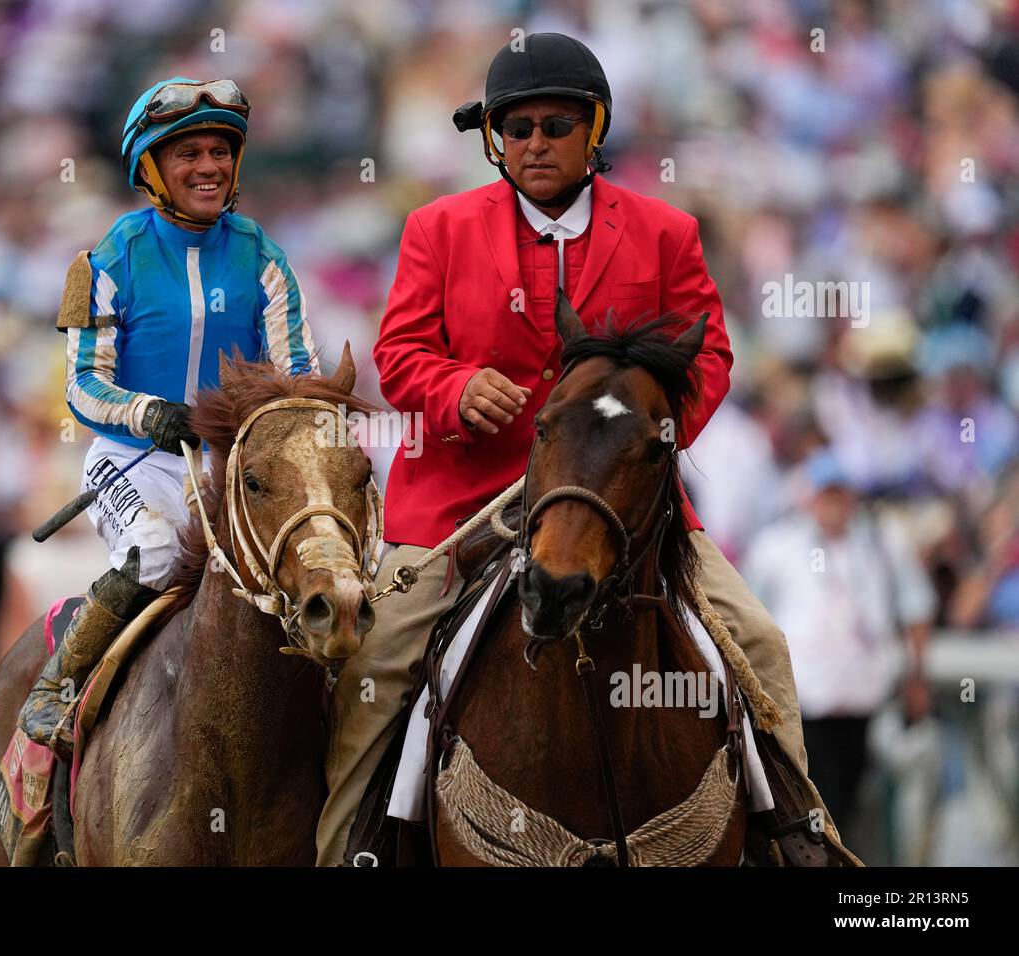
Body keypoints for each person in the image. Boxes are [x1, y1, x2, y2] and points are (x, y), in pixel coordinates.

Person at [317, 32, 843, 864]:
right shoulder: (436, 228)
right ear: (494, 138)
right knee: (374, 666)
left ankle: (801, 834)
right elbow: (401, 353)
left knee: (761, 642)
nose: (534, 143)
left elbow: (708, 357)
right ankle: (349, 846)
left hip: (619, 503)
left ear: (593, 130)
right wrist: (454, 390)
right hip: (466, 500)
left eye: (556, 125)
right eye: (515, 127)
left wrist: (644, 445)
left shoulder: (667, 231)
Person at [18, 78, 317, 755]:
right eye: (187, 153)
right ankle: (56, 685)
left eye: (220, 151)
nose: (208, 167)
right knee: (154, 551)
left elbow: (298, 373)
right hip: (135, 461)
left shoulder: (265, 259)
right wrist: (154, 414)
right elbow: (83, 386)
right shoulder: (107, 259)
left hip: (234, 468)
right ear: (149, 169)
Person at [742, 450, 935, 836]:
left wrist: (917, 676)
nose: (833, 505)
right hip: (802, 707)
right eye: (825, 495)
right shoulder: (777, 548)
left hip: (867, 704)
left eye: (840, 495)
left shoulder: (880, 545)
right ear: (810, 497)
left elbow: (916, 607)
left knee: (861, 811)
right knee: (809, 812)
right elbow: (747, 617)